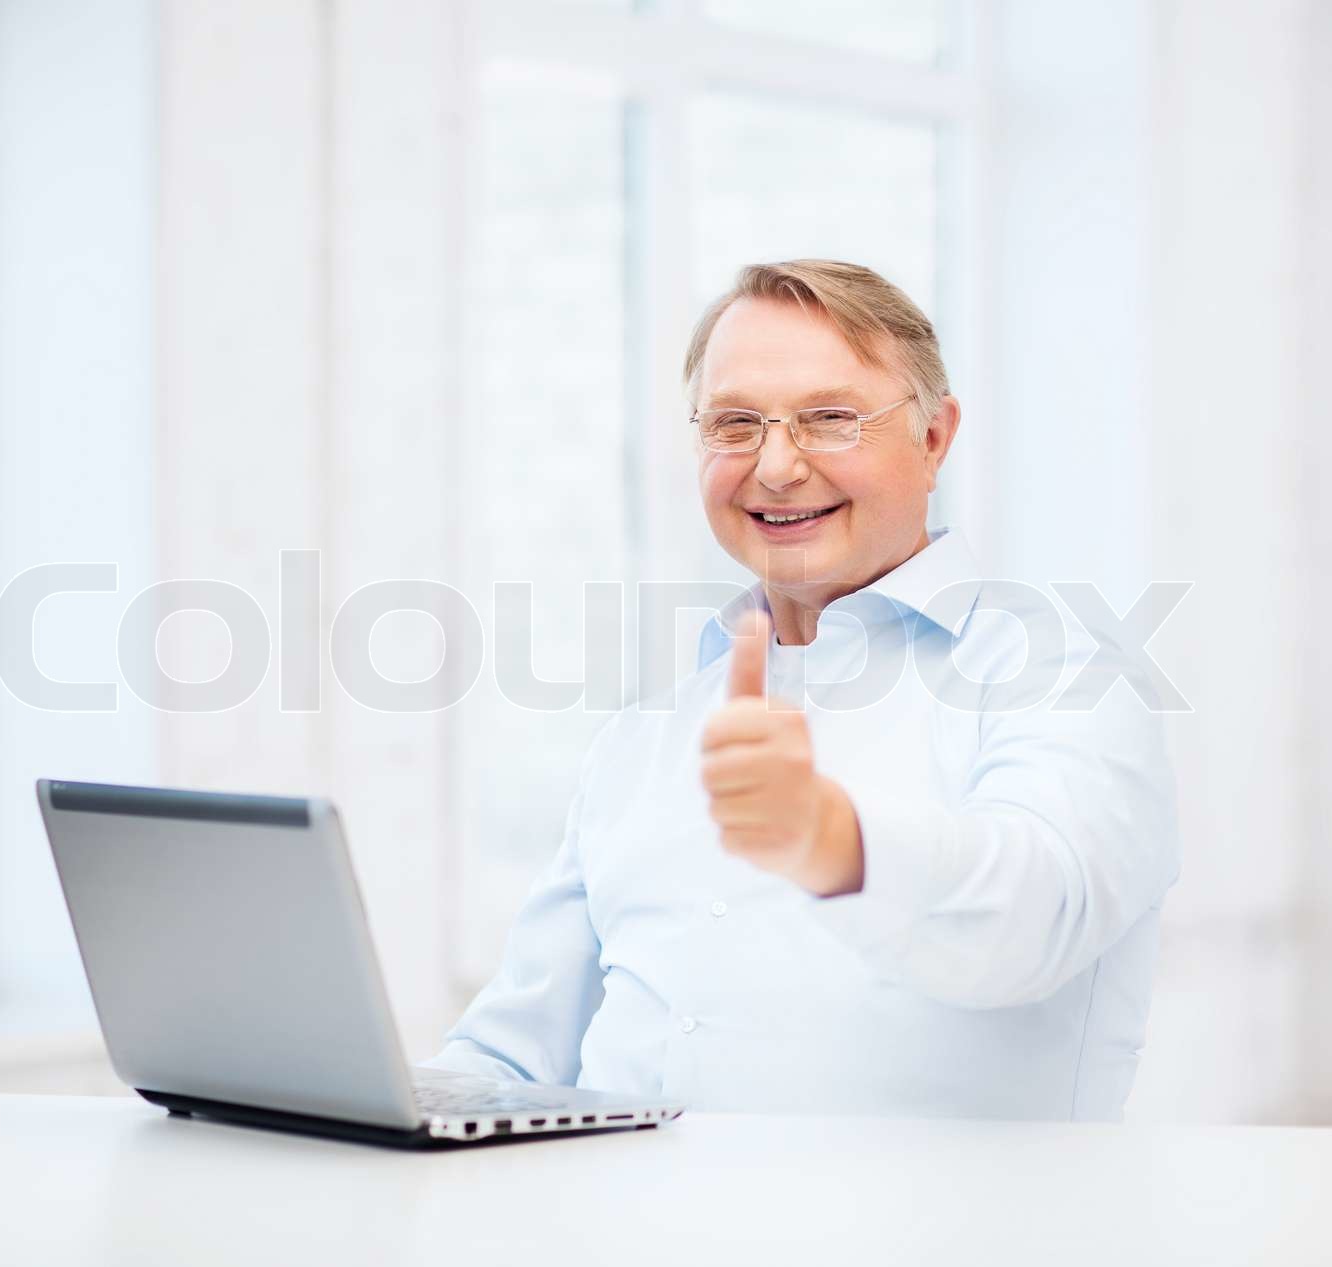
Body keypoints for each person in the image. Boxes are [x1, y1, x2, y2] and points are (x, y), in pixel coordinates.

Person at [423, 259, 1179, 1119]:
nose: (776, 466)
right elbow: (513, 1054)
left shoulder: (1063, 676)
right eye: (735, 423)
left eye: (831, 419)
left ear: (935, 437)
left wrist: (830, 840)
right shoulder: (644, 737)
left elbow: (1034, 919)